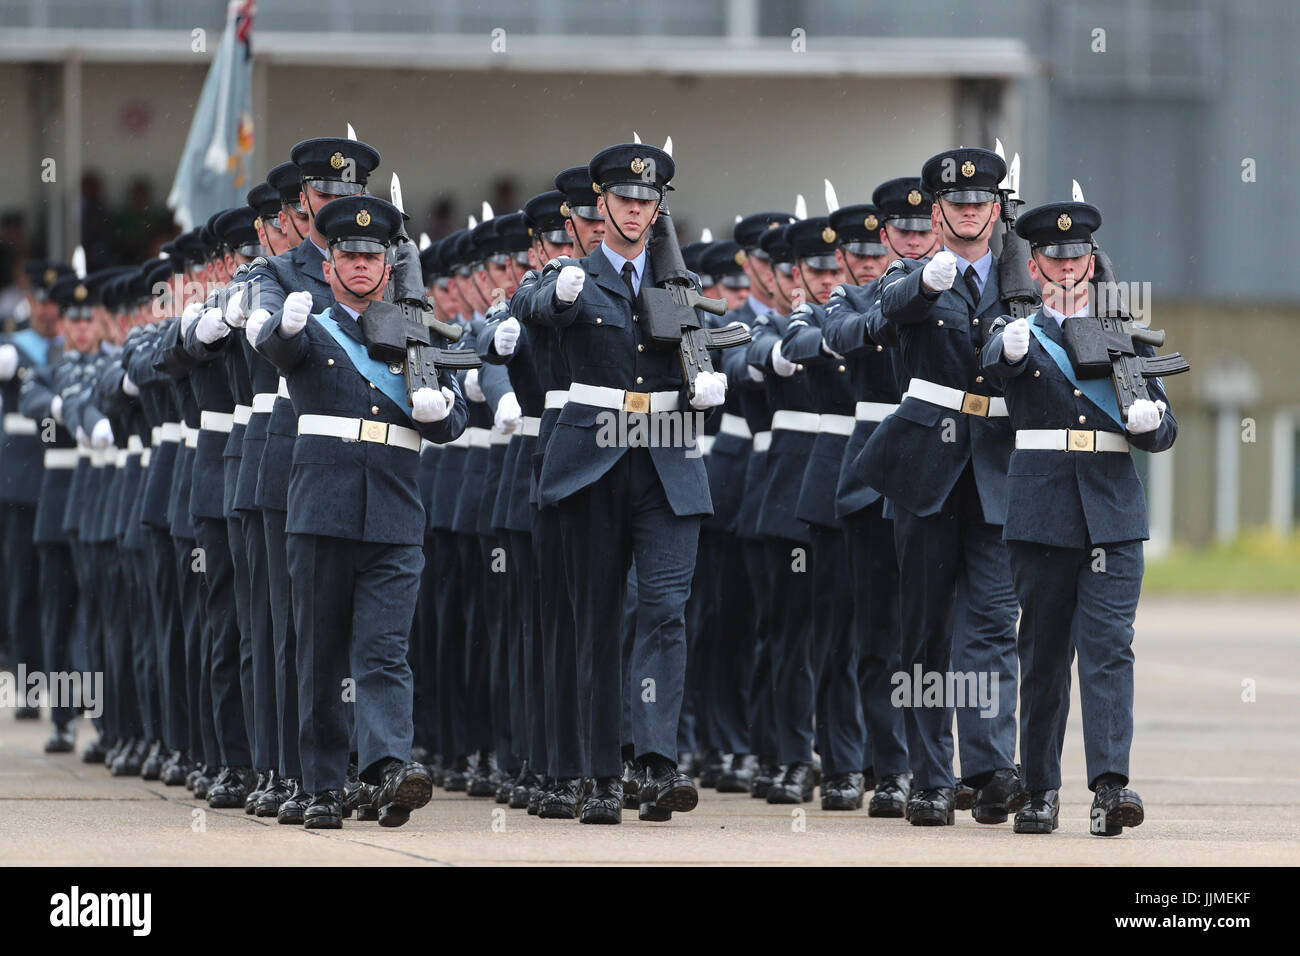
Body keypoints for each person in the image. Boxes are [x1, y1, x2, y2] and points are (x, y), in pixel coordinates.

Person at [515, 143, 728, 824]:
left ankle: (656, 762)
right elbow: (528, 306)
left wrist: (710, 388)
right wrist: (559, 290)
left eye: (647, 202)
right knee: (598, 619)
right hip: (594, 461)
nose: (636, 212)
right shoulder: (573, 276)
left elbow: (708, 362)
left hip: (666, 459)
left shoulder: (679, 284)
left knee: (665, 612)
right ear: (599, 206)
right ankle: (600, 770)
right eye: (624, 201)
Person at [254, 195, 467, 829]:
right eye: (348, 255)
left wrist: (440, 410)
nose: (361, 266)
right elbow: (276, 349)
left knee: (383, 651)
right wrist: (285, 327)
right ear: (329, 265)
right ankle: (321, 783)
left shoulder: (415, 329)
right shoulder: (312, 325)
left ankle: (386, 771)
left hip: (396, 511)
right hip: (324, 506)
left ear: (387, 263)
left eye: (372, 256)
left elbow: (452, 419)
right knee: (318, 653)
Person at [981, 200, 1175, 836]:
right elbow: (991, 367)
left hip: (1113, 510)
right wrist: (1007, 350)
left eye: (1078, 258)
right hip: (1042, 510)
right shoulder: (1016, 330)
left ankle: (1110, 786)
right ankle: (1038, 788)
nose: (1068, 269)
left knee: (1109, 649)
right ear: (1034, 265)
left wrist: (1151, 423)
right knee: (1041, 654)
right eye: (1054, 259)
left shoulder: (1123, 329)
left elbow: (1163, 427)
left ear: (1091, 263)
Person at [860, 148, 1028, 826]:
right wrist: (928, 285)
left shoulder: (1024, 280)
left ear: (995, 209)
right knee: (926, 633)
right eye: (955, 204)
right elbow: (881, 318)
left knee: (991, 625)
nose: (968, 211)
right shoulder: (910, 274)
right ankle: (930, 776)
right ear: (936, 212)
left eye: (979, 202)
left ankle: (989, 768)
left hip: (996, 467)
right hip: (927, 466)